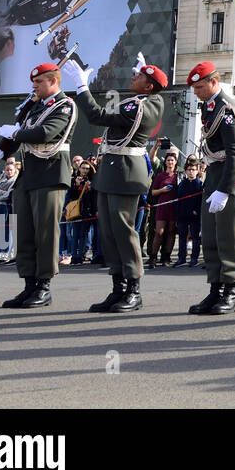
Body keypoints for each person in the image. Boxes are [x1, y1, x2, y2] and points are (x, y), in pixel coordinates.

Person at [66, 54, 167, 313]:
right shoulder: (142, 99)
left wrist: (81, 87)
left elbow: (98, 115)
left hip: (125, 173)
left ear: (149, 86)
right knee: (109, 233)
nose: (133, 76)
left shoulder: (142, 105)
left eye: (139, 76)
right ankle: (118, 288)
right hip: (112, 172)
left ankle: (134, 290)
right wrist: (144, 70)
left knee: (123, 231)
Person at [185, 61, 235, 313]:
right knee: (211, 236)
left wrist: (225, 190)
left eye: (200, 86)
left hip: (234, 179)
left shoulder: (226, 109)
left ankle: (230, 291)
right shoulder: (211, 108)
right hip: (217, 175)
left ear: (214, 83)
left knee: (228, 237)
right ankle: (215, 289)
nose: (196, 91)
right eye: (194, 87)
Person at [148, 151, 179, 269]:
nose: (170, 162)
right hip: (162, 206)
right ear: (165, 162)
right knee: (159, 232)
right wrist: (162, 190)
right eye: (168, 160)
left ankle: (166, 257)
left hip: (174, 207)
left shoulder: (179, 175)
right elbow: (153, 192)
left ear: (176, 162)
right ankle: (153, 257)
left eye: (172, 160)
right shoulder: (160, 175)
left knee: (171, 232)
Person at [173, 156, 204, 267]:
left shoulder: (200, 184)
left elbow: (201, 200)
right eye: (189, 169)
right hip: (182, 215)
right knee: (182, 237)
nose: (191, 172)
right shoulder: (182, 184)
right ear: (185, 171)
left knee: (195, 237)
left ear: (198, 170)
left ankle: (194, 258)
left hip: (194, 215)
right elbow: (177, 199)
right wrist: (178, 212)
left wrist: (196, 210)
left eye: (193, 169)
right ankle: (181, 258)